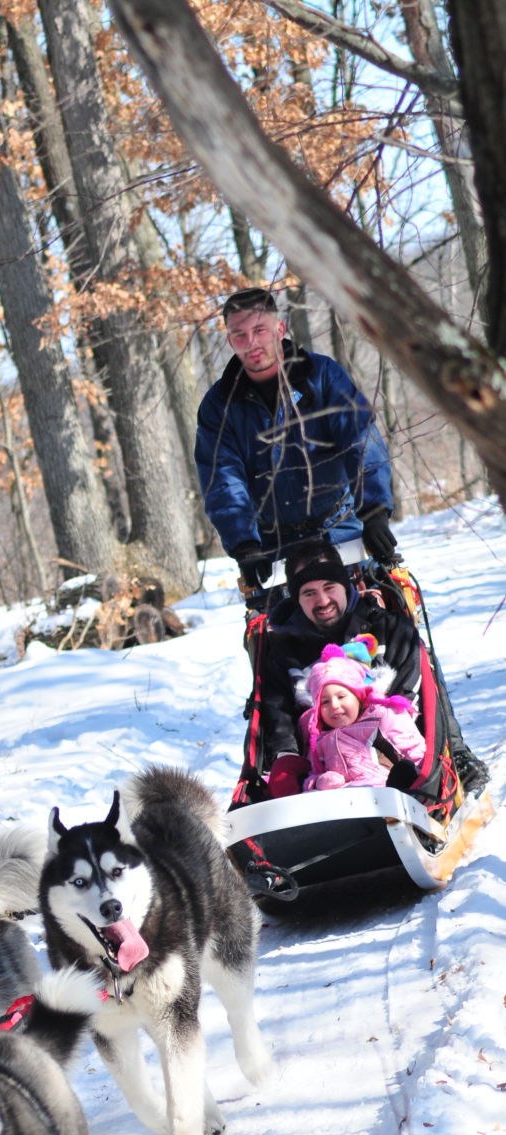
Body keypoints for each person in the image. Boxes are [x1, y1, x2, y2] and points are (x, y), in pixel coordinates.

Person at [195, 288, 397, 603]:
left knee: (384, 619)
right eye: (240, 335)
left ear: (279, 329)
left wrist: (374, 511)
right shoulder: (219, 405)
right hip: (272, 546)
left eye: (260, 330)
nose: (252, 342)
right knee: (279, 641)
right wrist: (244, 545)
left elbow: (360, 441)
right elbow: (222, 478)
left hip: (342, 529)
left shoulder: (322, 376)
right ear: (229, 340)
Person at [260, 538, 421, 795]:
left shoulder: (389, 628)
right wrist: (286, 760)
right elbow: (277, 712)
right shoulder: (282, 649)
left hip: (390, 758)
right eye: (309, 593)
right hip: (321, 768)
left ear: (346, 586)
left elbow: (406, 699)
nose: (322, 601)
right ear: (297, 599)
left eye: (329, 587)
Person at [298, 638, 426, 791]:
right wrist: (319, 782)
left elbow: (414, 749)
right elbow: (313, 774)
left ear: (357, 695)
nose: (334, 706)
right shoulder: (319, 739)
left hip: (386, 791)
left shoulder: (382, 715)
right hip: (344, 801)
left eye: (341, 697)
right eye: (324, 702)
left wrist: (420, 781)